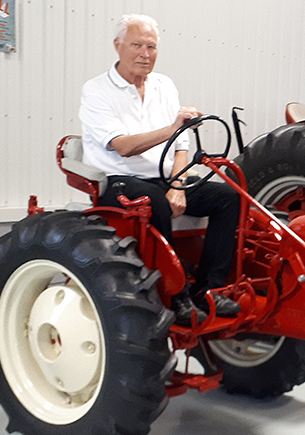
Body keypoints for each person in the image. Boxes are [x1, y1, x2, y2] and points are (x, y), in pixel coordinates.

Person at [79, 14, 240, 325]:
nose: (145, 53)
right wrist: (172, 128)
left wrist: (178, 184)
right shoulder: (97, 90)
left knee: (227, 196)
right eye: (137, 45)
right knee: (155, 200)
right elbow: (123, 146)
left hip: (166, 178)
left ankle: (208, 290)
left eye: (151, 46)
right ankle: (176, 297)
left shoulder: (164, 85)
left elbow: (182, 146)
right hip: (119, 180)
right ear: (118, 46)